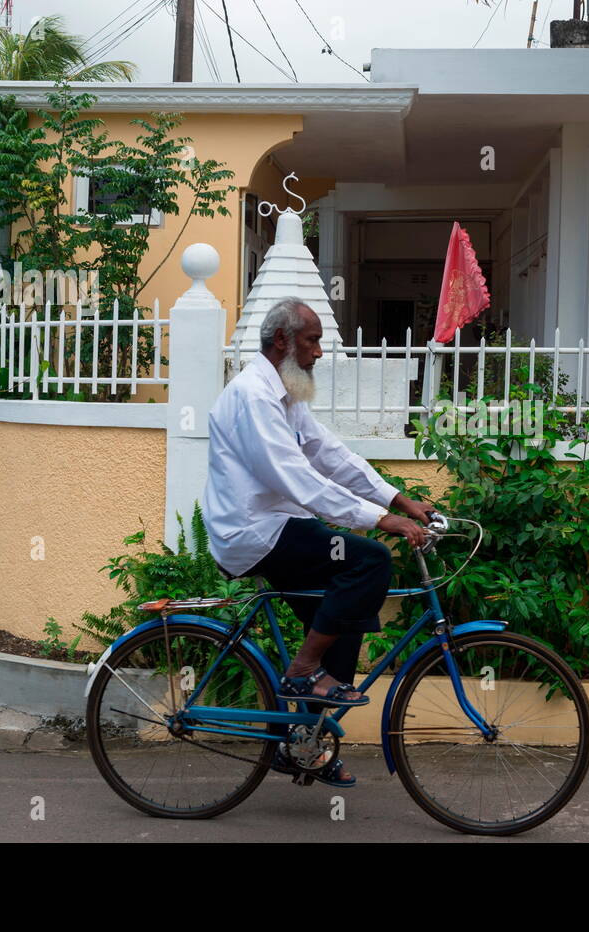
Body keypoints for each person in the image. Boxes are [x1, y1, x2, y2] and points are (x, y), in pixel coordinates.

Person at [201, 296, 434, 788]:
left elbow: (329, 453)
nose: (319, 354)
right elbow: (295, 477)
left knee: (347, 621)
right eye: (312, 341)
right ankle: (302, 669)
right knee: (368, 560)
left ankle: (304, 745)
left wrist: (398, 499)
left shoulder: (285, 393)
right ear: (283, 341)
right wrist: (379, 521)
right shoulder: (252, 396)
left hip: (283, 525)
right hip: (254, 532)